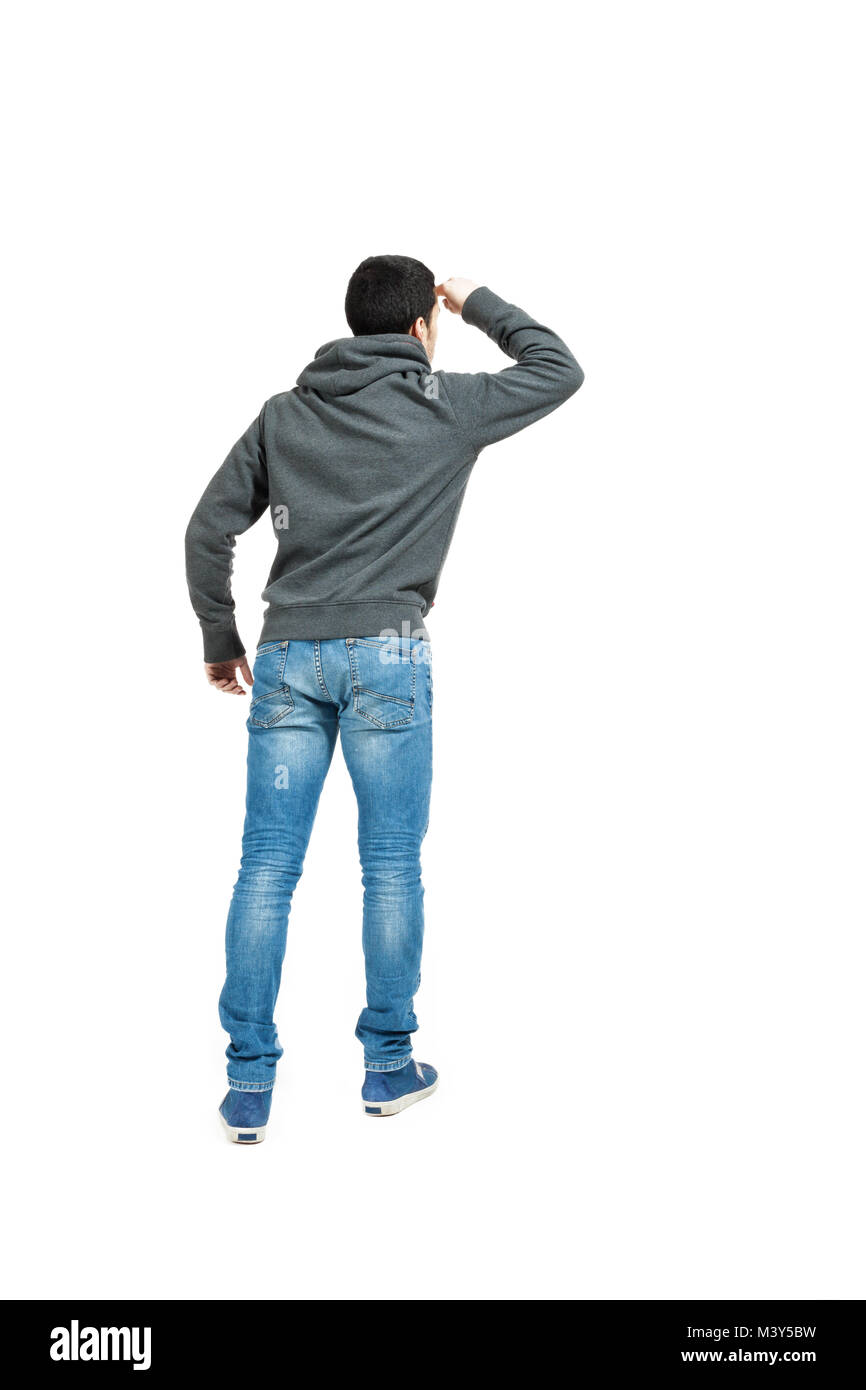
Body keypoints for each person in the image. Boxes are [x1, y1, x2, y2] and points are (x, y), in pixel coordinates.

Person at [185, 257, 584, 1141]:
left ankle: (247, 1087)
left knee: (265, 868)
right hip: (388, 660)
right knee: (391, 867)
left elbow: (207, 528)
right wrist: (473, 299)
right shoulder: (446, 406)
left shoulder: (284, 415)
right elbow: (558, 366)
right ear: (417, 331)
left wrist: (223, 639)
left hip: (288, 657)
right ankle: (388, 1067)